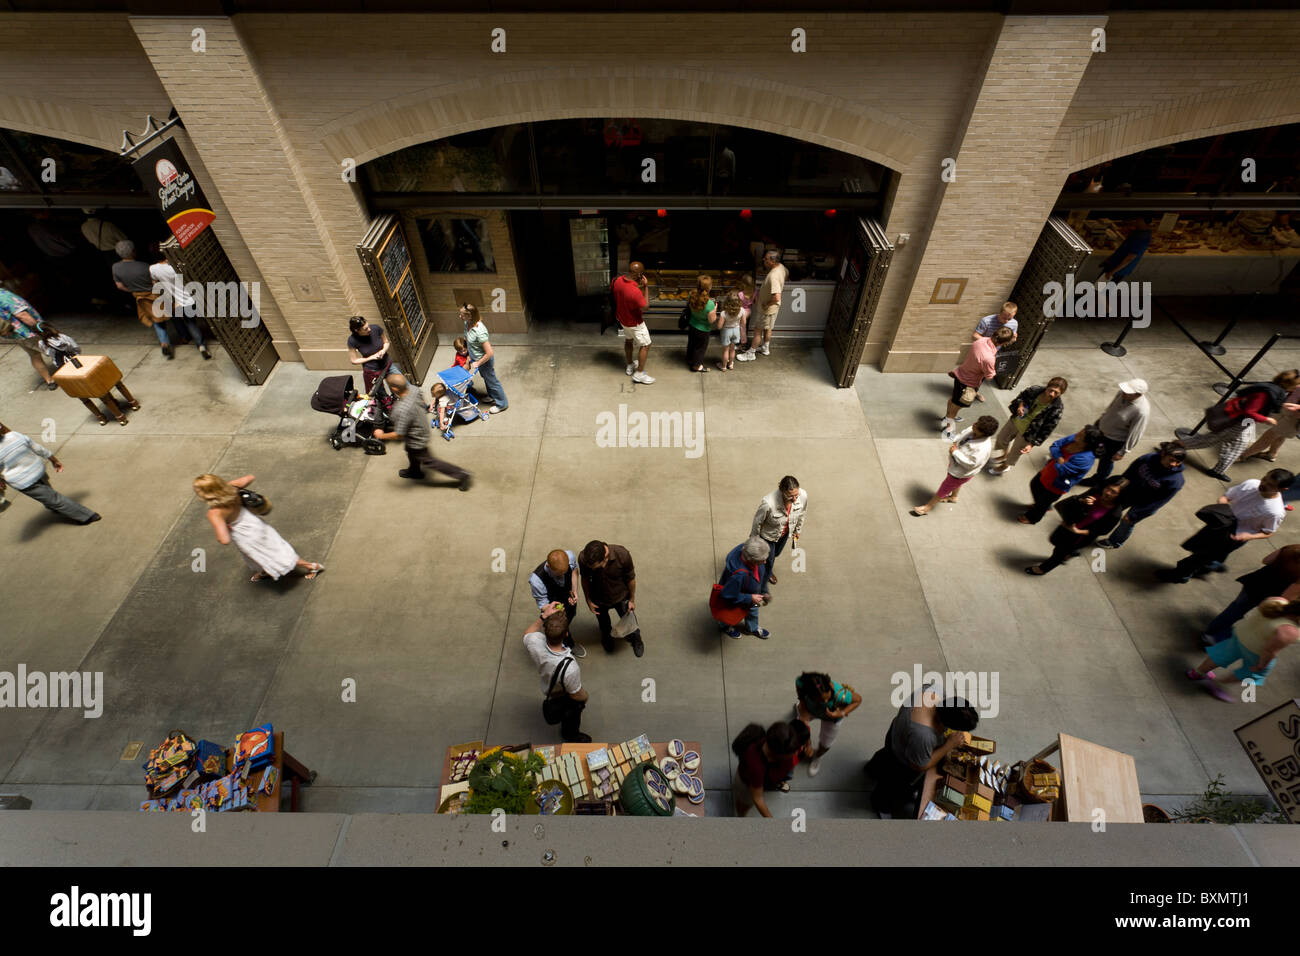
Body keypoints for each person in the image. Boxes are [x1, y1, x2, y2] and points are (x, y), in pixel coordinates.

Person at [1157, 469, 1294, 583]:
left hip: (1234, 535)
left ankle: (1181, 575)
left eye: (1270, 485)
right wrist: (1222, 506)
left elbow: (1268, 532)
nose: (1263, 484)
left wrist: (1249, 536)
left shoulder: (1274, 511)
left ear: (1283, 489)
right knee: (1197, 546)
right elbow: (1227, 497)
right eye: (1265, 478)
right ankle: (1212, 564)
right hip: (1222, 521)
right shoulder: (1252, 484)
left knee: (1197, 558)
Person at [865, 686, 979, 819]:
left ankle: (871, 769)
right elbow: (920, 765)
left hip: (896, 734)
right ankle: (881, 805)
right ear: (946, 722)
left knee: (883, 757)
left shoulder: (935, 690)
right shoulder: (923, 735)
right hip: (902, 758)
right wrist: (949, 745)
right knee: (892, 784)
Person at [192, 473, 322, 581]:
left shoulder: (214, 513)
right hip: (254, 523)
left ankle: (311, 566)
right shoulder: (232, 487)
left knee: (274, 555)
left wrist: (223, 529)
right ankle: (264, 571)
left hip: (244, 535)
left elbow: (224, 540)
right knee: (270, 550)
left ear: (206, 493)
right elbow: (250, 477)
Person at [1175, 371, 1300, 481]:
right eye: (1296, 385)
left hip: (1243, 422)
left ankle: (1218, 470)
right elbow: (1249, 411)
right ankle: (1178, 446)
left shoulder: (1271, 389)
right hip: (1238, 422)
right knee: (1211, 440)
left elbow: (1266, 404)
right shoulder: (1266, 394)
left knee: (1236, 445)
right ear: (1288, 384)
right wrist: (1266, 419)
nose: (1297, 387)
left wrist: (1284, 406)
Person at [1186, 597, 1299, 702]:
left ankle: (1197, 673)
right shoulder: (1290, 631)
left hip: (1240, 634)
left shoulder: (1277, 600)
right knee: (1251, 673)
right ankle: (1217, 684)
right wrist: (1261, 666)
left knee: (1222, 654)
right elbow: (1269, 651)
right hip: (1255, 651)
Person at [372, 373, 471, 490]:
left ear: (394, 389)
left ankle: (462, 474)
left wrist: (381, 435)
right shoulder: (413, 389)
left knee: (429, 461)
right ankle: (414, 471)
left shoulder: (402, 409)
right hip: (421, 426)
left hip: (417, 438)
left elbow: (399, 434)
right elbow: (422, 401)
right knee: (410, 451)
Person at [0, 422, 100, 524]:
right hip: (38, 470)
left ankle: (87, 516)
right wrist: (54, 460)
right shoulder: (15, 435)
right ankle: (55, 506)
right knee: (48, 491)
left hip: (23, 481)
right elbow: (39, 449)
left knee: (54, 499)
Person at [1025, 478, 1129, 575]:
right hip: (1068, 524)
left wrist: (1078, 531)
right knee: (1054, 540)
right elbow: (1077, 500)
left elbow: (1102, 530)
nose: (1107, 493)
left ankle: (1043, 569)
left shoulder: (1114, 513)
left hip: (1079, 536)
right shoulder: (1095, 492)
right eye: (1108, 488)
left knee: (1059, 553)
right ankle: (1069, 554)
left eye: (1113, 492)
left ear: (1119, 496)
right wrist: (1082, 501)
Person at [1203, 544, 1300, 645]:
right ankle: (1218, 638)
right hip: (1271, 595)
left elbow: (1266, 560)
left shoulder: (1291, 547)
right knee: (1253, 621)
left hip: (1256, 582)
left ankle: (1209, 632)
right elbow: (1287, 596)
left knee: (1235, 608)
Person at [1097, 441, 1187, 549]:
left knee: (1126, 522)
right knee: (1111, 509)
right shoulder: (1148, 459)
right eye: (1171, 460)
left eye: (1178, 462)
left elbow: (1158, 502)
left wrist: (1134, 515)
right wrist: (1120, 485)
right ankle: (1097, 528)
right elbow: (1130, 471)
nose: (1174, 464)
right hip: (1130, 492)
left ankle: (1115, 542)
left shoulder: (1175, 481)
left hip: (1146, 504)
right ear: (1163, 454)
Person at [524, 603, 591, 743]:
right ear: (566, 634)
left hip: (547, 686)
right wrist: (585, 697)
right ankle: (571, 735)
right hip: (562, 693)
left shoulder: (534, 642)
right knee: (572, 716)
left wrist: (544, 616)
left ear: (545, 631)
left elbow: (528, 632)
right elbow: (576, 694)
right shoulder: (570, 667)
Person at [911, 416, 998, 516]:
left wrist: (955, 452)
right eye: (976, 422)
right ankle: (954, 497)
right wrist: (955, 442)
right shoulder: (974, 429)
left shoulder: (982, 448)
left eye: (977, 425)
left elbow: (971, 464)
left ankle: (927, 507)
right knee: (953, 483)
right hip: (956, 464)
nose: (974, 424)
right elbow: (963, 434)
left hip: (961, 472)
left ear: (983, 433)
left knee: (945, 487)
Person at [940, 326, 1014, 439]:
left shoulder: (981, 340)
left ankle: (947, 417)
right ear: (1003, 343)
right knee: (955, 408)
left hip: (960, 374)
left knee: (954, 400)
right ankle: (948, 430)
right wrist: (996, 369)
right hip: (968, 383)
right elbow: (990, 376)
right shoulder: (989, 357)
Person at [1018, 425, 1102, 524]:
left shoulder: (1086, 459)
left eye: (1081, 435)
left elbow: (1063, 471)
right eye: (1081, 431)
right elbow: (1055, 445)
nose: (1078, 433)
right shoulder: (1074, 438)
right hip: (1048, 471)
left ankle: (1032, 518)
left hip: (1057, 484)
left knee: (1043, 502)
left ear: (1087, 443)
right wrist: (1059, 458)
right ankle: (1042, 505)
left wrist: (1057, 457)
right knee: (1035, 485)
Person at [986, 377, 1067, 476]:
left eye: (1056, 393)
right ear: (1047, 387)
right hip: (1016, 421)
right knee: (1002, 439)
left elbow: (1047, 429)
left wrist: (1032, 444)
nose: (1052, 394)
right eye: (1051, 390)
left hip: (1029, 433)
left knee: (1015, 452)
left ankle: (1005, 466)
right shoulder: (1034, 390)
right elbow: (1021, 397)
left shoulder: (1057, 408)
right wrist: (1020, 406)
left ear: (1061, 394)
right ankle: (1004, 455)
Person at [579, 540, 643, 656]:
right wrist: (588, 600)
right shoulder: (584, 558)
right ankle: (607, 638)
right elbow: (585, 579)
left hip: (621, 596)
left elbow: (631, 579)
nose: (593, 570)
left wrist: (632, 600)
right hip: (598, 598)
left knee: (629, 621)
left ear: (605, 558)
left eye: (595, 567)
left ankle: (636, 639)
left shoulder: (622, 555)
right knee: (603, 624)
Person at [733, 720, 809, 818]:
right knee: (744, 804)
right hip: (747, 786)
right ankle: (741, 816)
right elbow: (757, 798)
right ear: (778, 755)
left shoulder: (778, 738)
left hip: (762, 781)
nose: (795, 753)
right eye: (792, 752)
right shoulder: (756, 767)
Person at [1081, 380, 1150, 486]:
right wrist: (1100, 420)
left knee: (1106, 461)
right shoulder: (1122, 394)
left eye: (1128, 392)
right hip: (1101, 430)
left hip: (1114, 441)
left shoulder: (1141, 411)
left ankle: (1098, 480)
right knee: (1086, 447)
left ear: (1138, 395)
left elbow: (1136, 433)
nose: (1123, 393)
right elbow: (1110, 408)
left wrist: (1123, 451)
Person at [112, 240, 173, 358]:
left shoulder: (116, 267)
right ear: (134, 252)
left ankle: (164, 342)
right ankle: (183, 336)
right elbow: (154, 282)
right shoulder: (145, 266)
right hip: (154, 295)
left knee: (155, 319)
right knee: (171, 315)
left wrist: (134, 291)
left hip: (139, 298)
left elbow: (119, 286)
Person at [794, 672, 861, 777]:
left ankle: (817, 757)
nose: (825, 702)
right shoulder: (802, 682)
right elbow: (799, 686)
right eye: (820, 700)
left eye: (828, 698)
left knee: (826, 744)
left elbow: (858, 700)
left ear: (829, 686)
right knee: (800, 733)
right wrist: (802, 703)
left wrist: (842, 713)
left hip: (831, 718)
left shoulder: (841, 695)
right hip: (810, 710)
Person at [149, 251, 211, 359]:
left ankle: (198, 344)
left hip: (178, 302)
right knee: (201, 320)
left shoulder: (153, 269)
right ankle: (207, 341)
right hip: (193, 299)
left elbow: (155, 283)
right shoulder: (176, 266)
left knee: (188, 323)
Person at [751, 476, 807, 586]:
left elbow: (802, 513)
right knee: (769, 559)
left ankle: (761, 563)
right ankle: (766, 575)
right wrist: (754, 542)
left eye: (796, 495)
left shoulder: (803, 495)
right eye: (790, 496)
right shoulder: (768, 503)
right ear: (782, 491)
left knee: (776, 553)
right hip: (768, 536)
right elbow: (757, 522)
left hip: (785, 533)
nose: (795, 499)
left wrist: (797, 530)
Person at [529, 548, 585, 658]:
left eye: (564, 572)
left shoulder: (569, 556)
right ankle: (566, 645)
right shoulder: (536, 580)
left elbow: (574, 571)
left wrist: (574, 591)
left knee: (570, 616)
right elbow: (544, 605)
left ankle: (563, 640)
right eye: (558, 574)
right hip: (553, 608)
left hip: (567, 599)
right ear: (549, 566)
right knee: (558, 629)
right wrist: (559, 607)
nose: (563, 576)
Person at [715, 535, 772, 640]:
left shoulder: (747, 549)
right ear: (751, 560)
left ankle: (752, 628)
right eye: (762, 560)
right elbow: (727, 595)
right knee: (728, 613)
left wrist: (763, 591)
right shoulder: (738, 576)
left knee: (753, 611)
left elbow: (759, 576)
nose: (764, 562)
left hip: (751, 594)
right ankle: (725, 626)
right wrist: (750, 598)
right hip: (740, 597)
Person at [0, 288, 59, 389]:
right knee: (56, 349)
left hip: (15, 334)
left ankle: (50, 381)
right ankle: (72, 372)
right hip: (27, 332)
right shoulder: (2, 295)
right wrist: (40, 329)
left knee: (34, 355)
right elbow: (22, 315)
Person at [611, 260, 655, 384]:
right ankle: (639, 374)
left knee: (629, 340)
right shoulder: (635, 292)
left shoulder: (617, 281)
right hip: (635, 322)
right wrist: (646, 287)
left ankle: (630, 365)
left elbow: (621, 295)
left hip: (622, 319)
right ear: (640, 275)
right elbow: (645, 306)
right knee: (646, 345)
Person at [460, 303, 508, 412]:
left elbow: (489, 352)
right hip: (475, 357)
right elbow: (467, 339)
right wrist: (469, 357)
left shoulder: (479, 331)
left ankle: (502, 403)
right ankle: (492, 396)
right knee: (486, 378)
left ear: (470, 315)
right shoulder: (467, 323)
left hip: (484, 361)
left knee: (492, 381)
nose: (460, 316)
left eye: (462, 315)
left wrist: (478, 363)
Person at [1239, 380, 1300, 463]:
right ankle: (1271, 454)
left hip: (1296, 416)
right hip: (1288, 407)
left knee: (1270, 435)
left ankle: (1243, 455)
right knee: (1281, 435)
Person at [743, 250, 787, 359]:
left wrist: (766, 304)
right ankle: (765, 348)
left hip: (767, 309)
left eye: (766, 259)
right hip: (773, 309)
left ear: (773, 261)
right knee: (768, 328)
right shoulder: (781, 267)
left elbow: (777, 297)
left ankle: (751, 353)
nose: (764, 260)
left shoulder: (774, 276)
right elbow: (787, 273)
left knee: (758, 330)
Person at [346, 315, 395, 393]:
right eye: (365, 329)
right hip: (372, 369)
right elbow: (354, 360)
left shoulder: (376, 328)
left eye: (368, 326)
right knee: (379, 394)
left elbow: (386, 342)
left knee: (401, 385)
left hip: (387, 364)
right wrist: (372, 357)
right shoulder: (352, 340)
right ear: (356, 330)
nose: (369, 329)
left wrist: (383, 350)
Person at [684, 274, 719, 373]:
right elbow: (711, 320)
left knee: (691, 344)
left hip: (692, 325)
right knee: (700, 348)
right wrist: (714, 310)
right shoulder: (710, 304)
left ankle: (690, 359)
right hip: (703, 329)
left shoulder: (691, 295)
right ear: (709, 287)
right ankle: (696, 366)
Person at [715, 292, 745, 371]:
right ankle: (731, 364)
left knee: (726, 350)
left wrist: (718, 322)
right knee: (732, 349)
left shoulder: (723, 313)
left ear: (727, 302)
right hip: (736, 330)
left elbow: (719, 326)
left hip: (726, 331)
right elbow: (743, 323)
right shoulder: (742, 310)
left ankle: (724, 366)